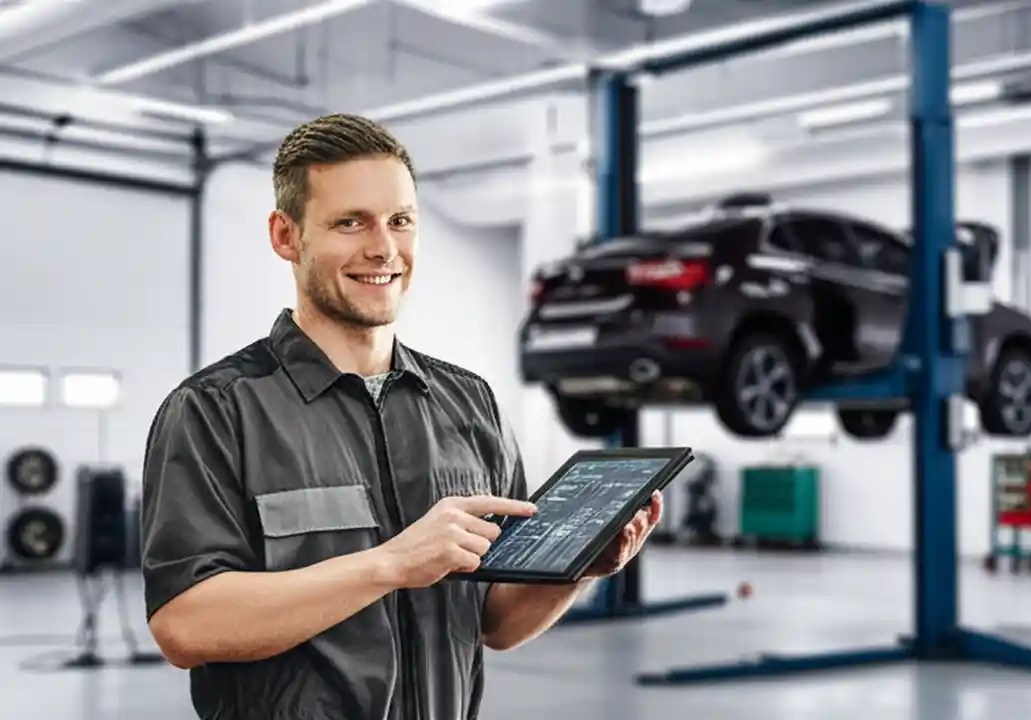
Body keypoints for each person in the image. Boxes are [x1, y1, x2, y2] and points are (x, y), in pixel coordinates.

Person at [140, 113, 663, 720]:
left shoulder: (470, 404)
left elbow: (493, 621)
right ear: (286, 236)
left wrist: (576, 570)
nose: (383, 248)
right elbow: (185, 624)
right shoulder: (215, 410)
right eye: (350, 222)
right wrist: (391, 564)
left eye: (400, 221)